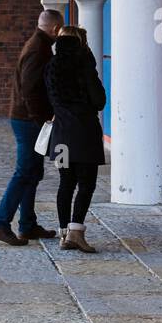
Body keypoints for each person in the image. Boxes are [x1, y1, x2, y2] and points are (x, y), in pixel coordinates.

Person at [0, 8, 62, 246]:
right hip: (28, 121)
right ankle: (0, 223)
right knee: (23, 173)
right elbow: (30, 89)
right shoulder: (38, 50)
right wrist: (41, 119)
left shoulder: (37, 45)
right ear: (55, 28)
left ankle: (28, 225)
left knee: (32, 173)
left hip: (27, 119)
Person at [45, 24, 106, 252]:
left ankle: (63, 234)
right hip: (85, 135)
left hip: (61, 134)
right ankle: (76, 233)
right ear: (81, 43)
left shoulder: (51, 66)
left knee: (65, 182)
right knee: (86, 184)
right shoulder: (84, 67)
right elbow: (99, 100)